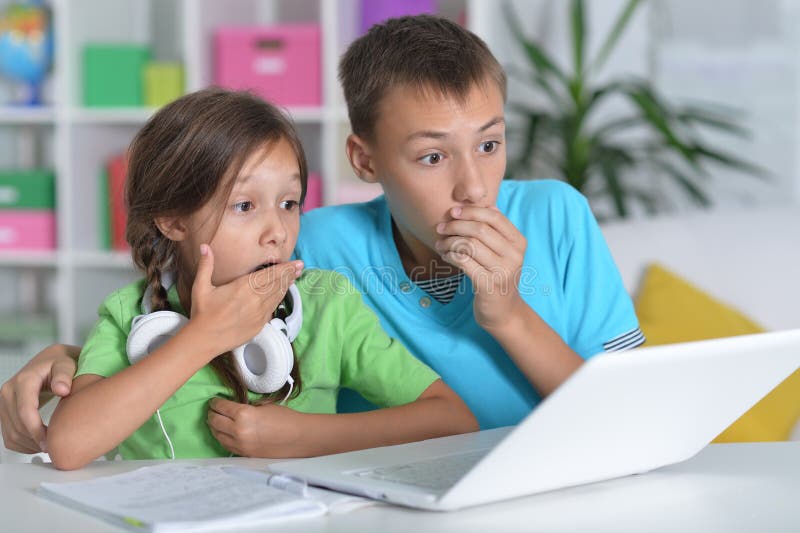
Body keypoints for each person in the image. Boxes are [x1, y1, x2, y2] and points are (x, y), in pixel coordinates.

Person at [1, 15, 641, 455]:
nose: (474, 187)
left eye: (491, 143)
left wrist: (508, 316)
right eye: (432, 157)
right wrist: (67, 361)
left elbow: (635, 418)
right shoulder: (315, 248)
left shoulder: (559, 216)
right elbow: (189, 303)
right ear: (365, 161)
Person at [41, 87, 476, 470]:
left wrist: (308, 437)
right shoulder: (127, 313)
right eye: (244, 206)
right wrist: (204, 336)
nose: (278, 232)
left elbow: (453, 418)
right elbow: (68, 445)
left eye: (289, 203)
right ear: (173, 221)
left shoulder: (330, 307)